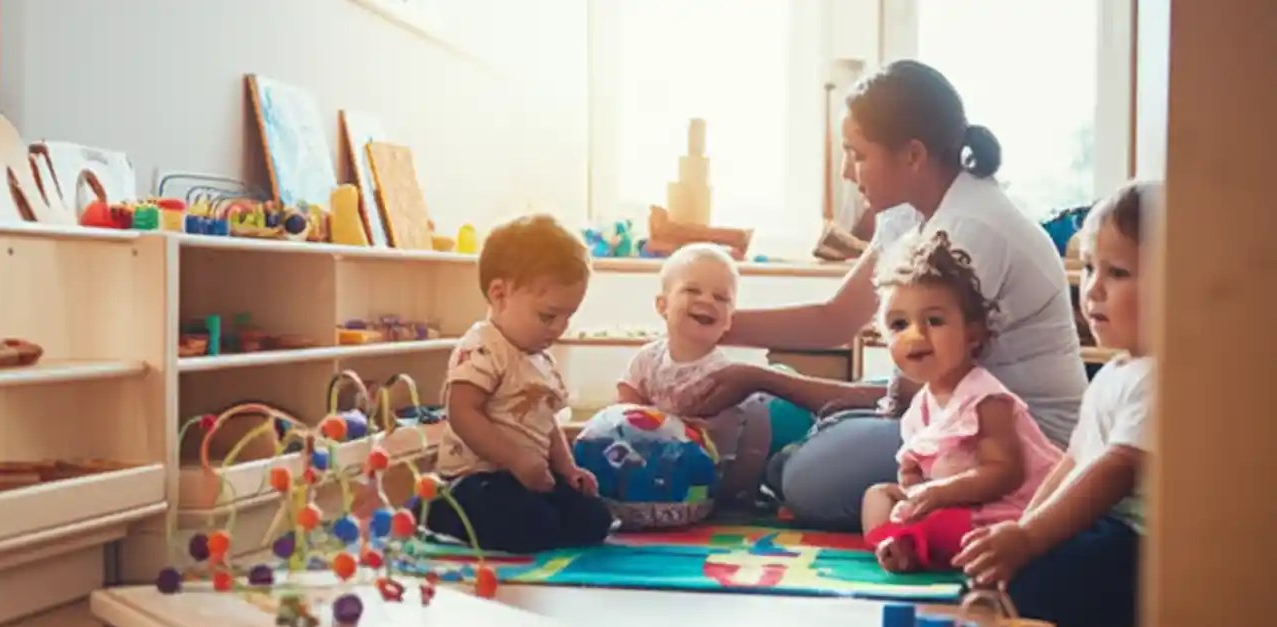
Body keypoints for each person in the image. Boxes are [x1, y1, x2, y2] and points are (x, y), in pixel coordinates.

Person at [681, 59, 1086, 530]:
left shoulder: (969, 229)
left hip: (1013, 440)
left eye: (857, 154)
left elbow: (910, 392)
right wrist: (711, 322)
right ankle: (801, 446)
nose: (848, 172)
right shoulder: (909, 212)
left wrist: (765, 379)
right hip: (944, 404)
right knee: (789, 424)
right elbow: (835, 319)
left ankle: (799, 455)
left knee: (808, 481)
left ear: (912, 155)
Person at [953, 180, 1157, 627]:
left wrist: (1029, 540)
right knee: (1007, 564)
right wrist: (1024, 531)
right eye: (1088, 269)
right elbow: (1071, 464)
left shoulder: (1160, 378)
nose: (1094, 290)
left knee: (1037, 580)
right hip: (1111, 528)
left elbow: (1115, 471)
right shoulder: (1114, 374)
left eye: (1118, 273)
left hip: (1153, 551)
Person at [860, 230, 1062, 573]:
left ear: (973, 334)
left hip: (1006, 510)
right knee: (877, 496)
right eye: (898, 324)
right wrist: (913, 490)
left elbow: (1004, 474)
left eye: (934, 321)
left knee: (945, 524)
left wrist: (938, 494)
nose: (916, 336)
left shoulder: (986, 397)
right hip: (952, 505)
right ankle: (895, 544)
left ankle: (913, 545)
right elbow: (917, 471)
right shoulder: (919, 410)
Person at [424, 214, 615, 553]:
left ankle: (542, 516)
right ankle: (439, 511)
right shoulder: (484, 347)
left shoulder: (540, 356)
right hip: (477, 478)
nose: (558, 329)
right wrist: (516, 459)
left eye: (567, 318)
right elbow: (461, 412)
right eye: (548, 316)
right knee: (531, 523)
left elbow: (548, 422)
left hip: (524, 477)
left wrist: (568, 469)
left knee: (594, 518)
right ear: (500, 294)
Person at [616, 243, 772, 508]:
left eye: (721, 298)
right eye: (692, 290)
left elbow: (747, 433)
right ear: (662, 305)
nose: (707, 301)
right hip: (652, 462)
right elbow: (625, 404)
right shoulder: (647, 358)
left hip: (705, 473)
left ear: (729, 320)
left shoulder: (723, 374)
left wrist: (741, 483)